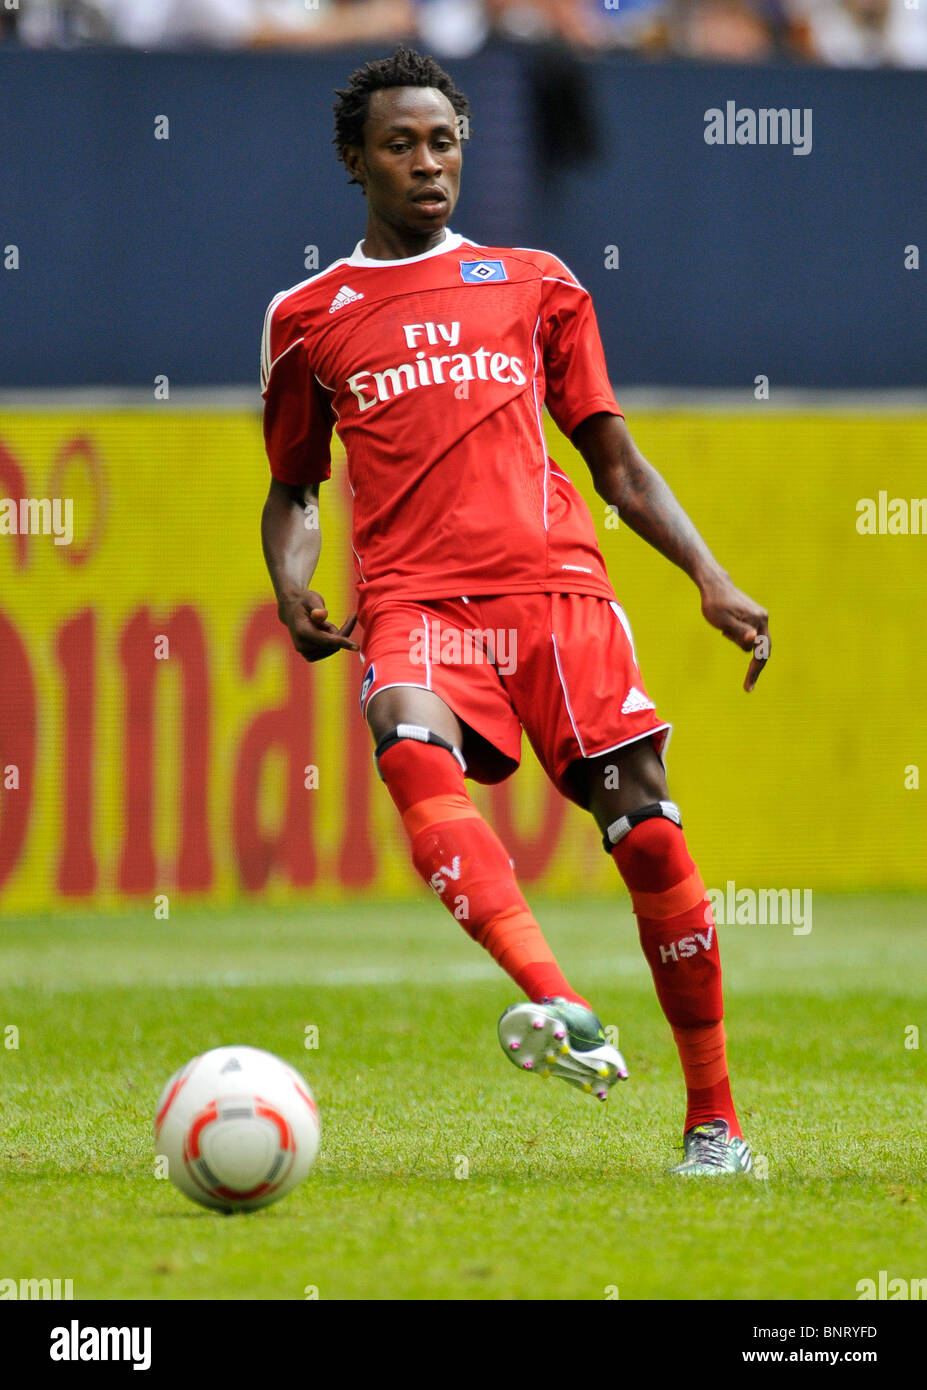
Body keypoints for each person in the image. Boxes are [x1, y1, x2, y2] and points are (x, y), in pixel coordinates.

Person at [260, 44, 769, 1175]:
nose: (428, 162)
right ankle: (557, 1000)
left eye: (444, 141)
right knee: (403, 734)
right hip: (414, 597)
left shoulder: (535, 281)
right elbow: (295, 487)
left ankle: (713, 1121)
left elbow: (619, 468)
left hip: (557, 590)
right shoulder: (309, 315)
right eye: (401, 144)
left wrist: (711, 577)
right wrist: (291, 581)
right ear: (357, 160)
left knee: (644, 826)